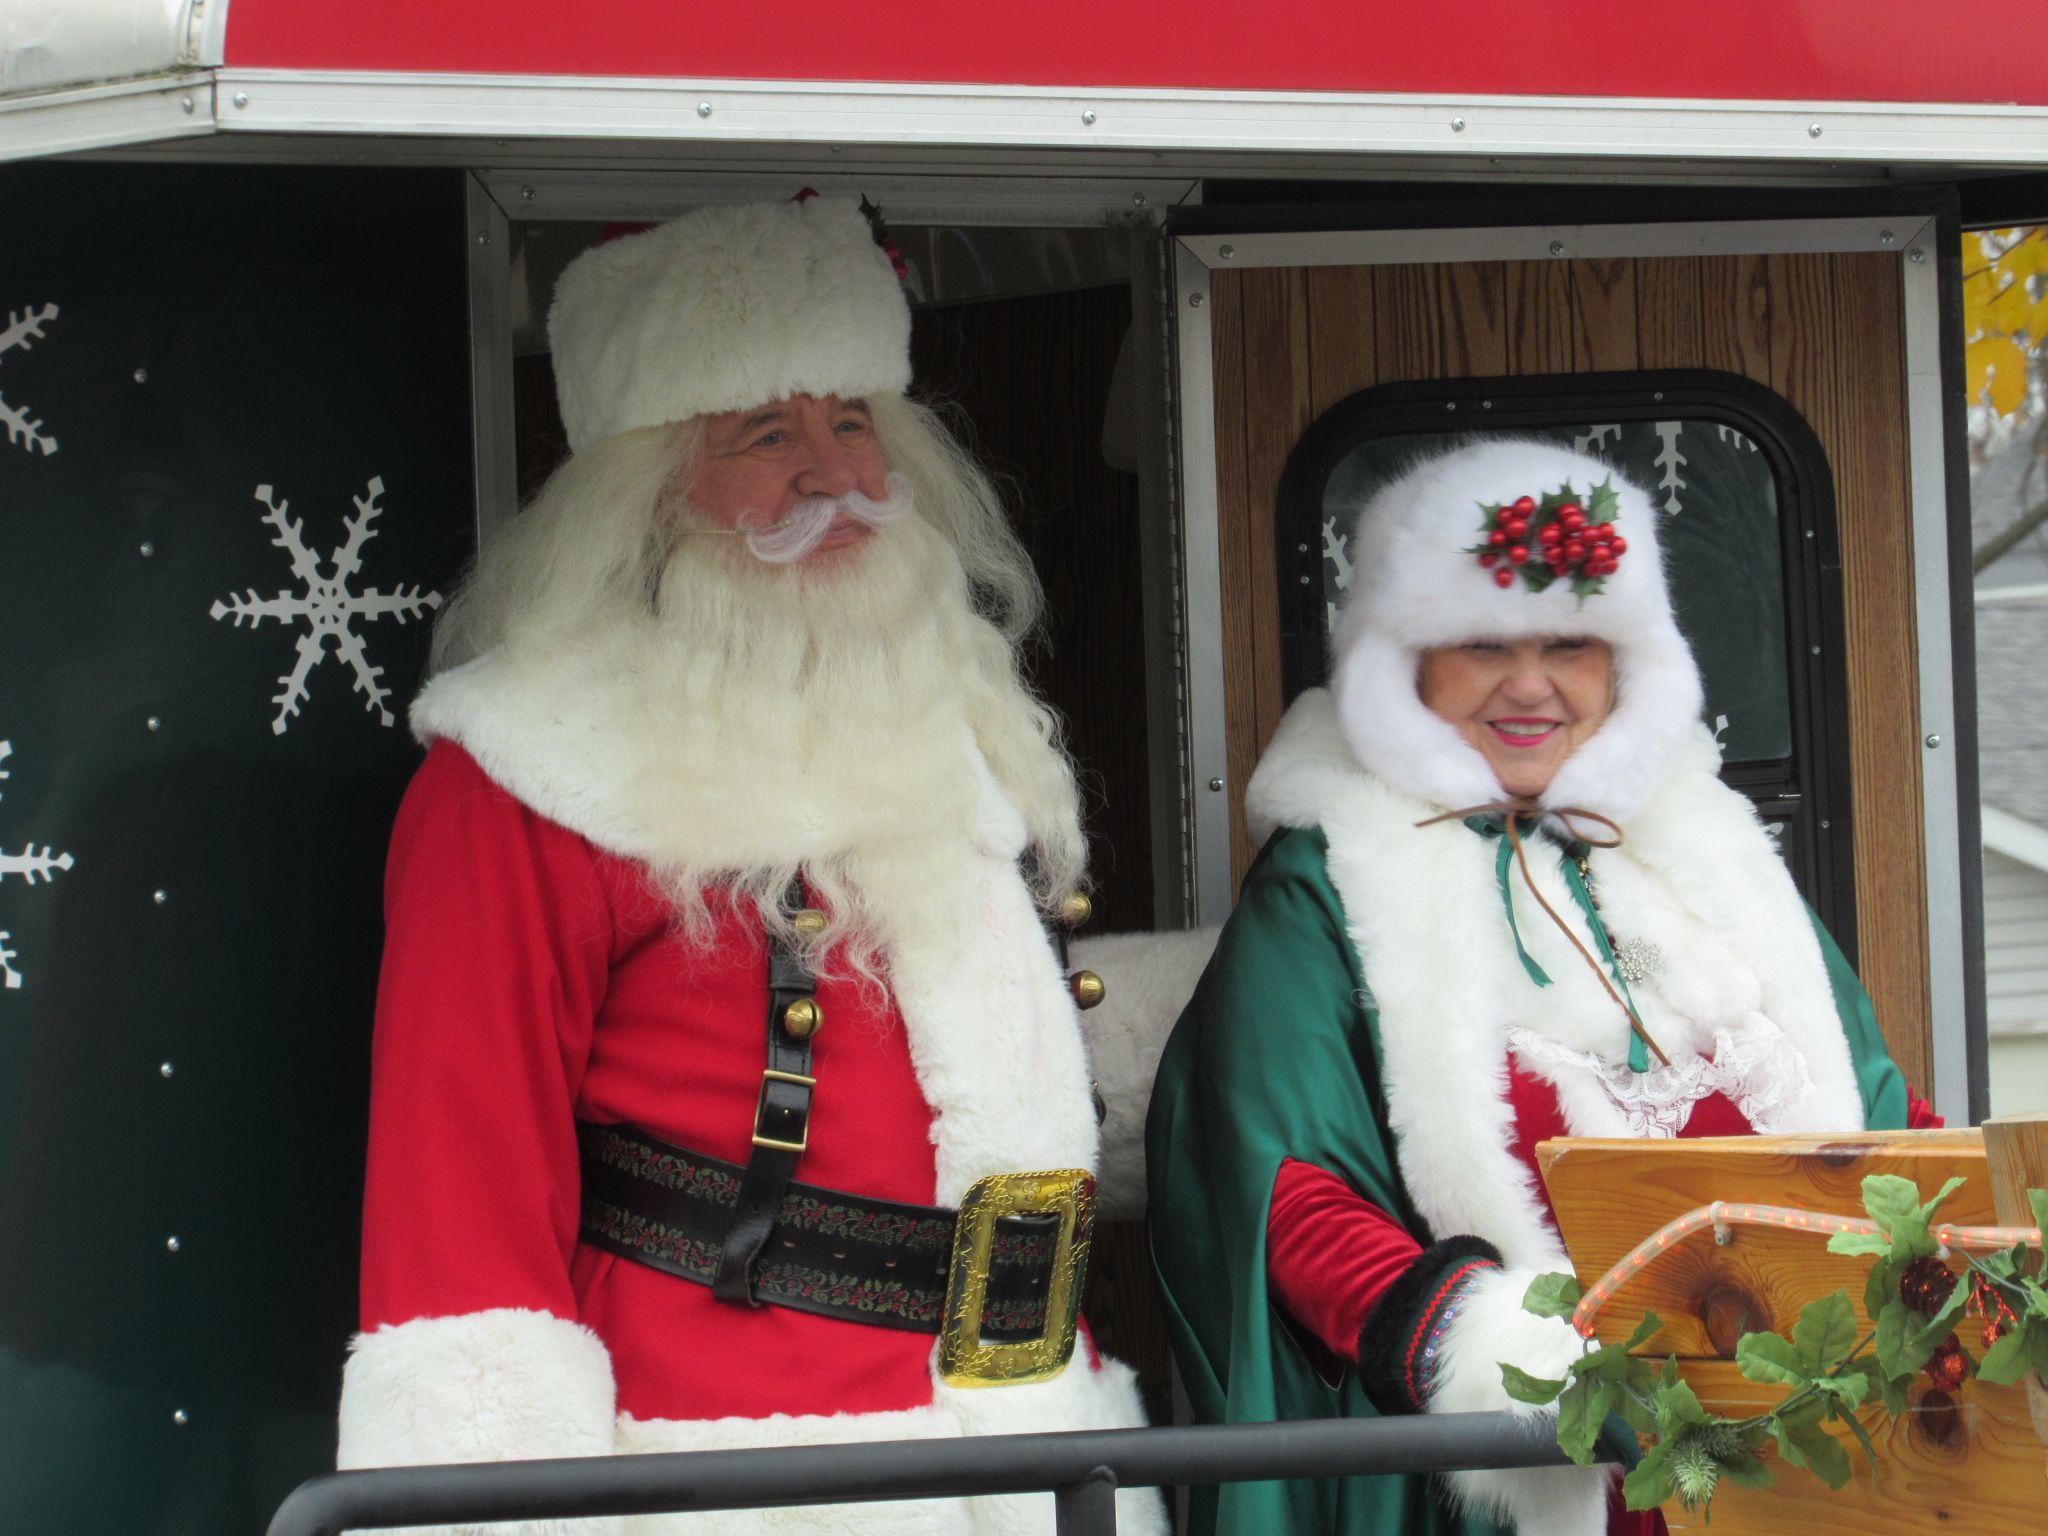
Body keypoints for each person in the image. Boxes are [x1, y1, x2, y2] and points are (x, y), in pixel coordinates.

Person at [335, 197, 1199, 1535]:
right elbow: (460, 1186)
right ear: (646, 489)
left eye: (852, 419)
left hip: (1019, 1445)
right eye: (764, 433)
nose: (832, 470)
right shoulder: (520, 768)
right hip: (724, 1471)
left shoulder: (943, 724)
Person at [1145, 439, 1938, 1536]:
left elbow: (1878, 1115)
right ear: (1402, 664)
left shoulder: (1703, 849)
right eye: (1481, 644)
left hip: (1796, 1459)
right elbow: (1277, 1191)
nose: (1530, 685)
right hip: (1526, 1477)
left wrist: (1987, 1248)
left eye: (1569, 641)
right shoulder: (1322, 886)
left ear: (1627, 665)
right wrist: (1497, 1356)